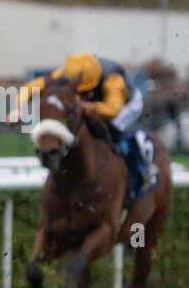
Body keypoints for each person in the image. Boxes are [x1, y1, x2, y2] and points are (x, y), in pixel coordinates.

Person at [23, 52, 155, 193]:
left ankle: (143, 166)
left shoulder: (113, 80)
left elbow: (112, 110)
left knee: (112, 128)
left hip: (125, 105)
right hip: (99, 100)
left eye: (82, 91)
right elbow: (31, 87)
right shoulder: (67, 72)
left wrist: (89, 107)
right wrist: (19, 108)